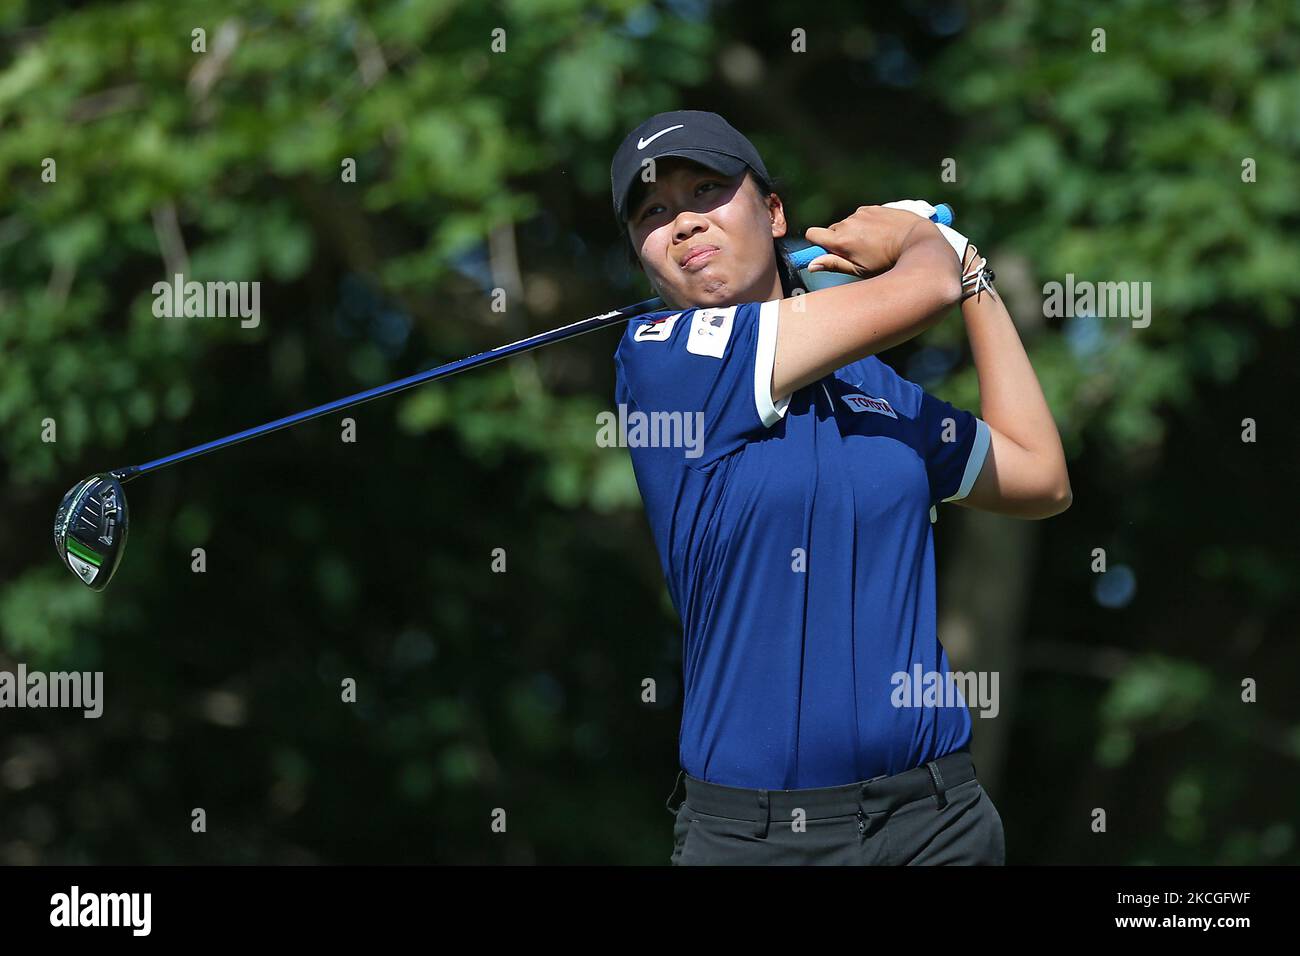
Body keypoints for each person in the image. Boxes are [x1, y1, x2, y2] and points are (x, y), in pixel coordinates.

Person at [610, 110, 1071, 865]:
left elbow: (1040, 475)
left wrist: (972, 273)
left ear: (774, 212)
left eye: (708, 191)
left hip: (938, 823)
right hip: (756, 842)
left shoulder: (872, 390)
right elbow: (921, 290)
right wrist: (923, 242)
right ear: (643, 256)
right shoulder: (665, 361)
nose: (684, 222)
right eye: (654, 213)